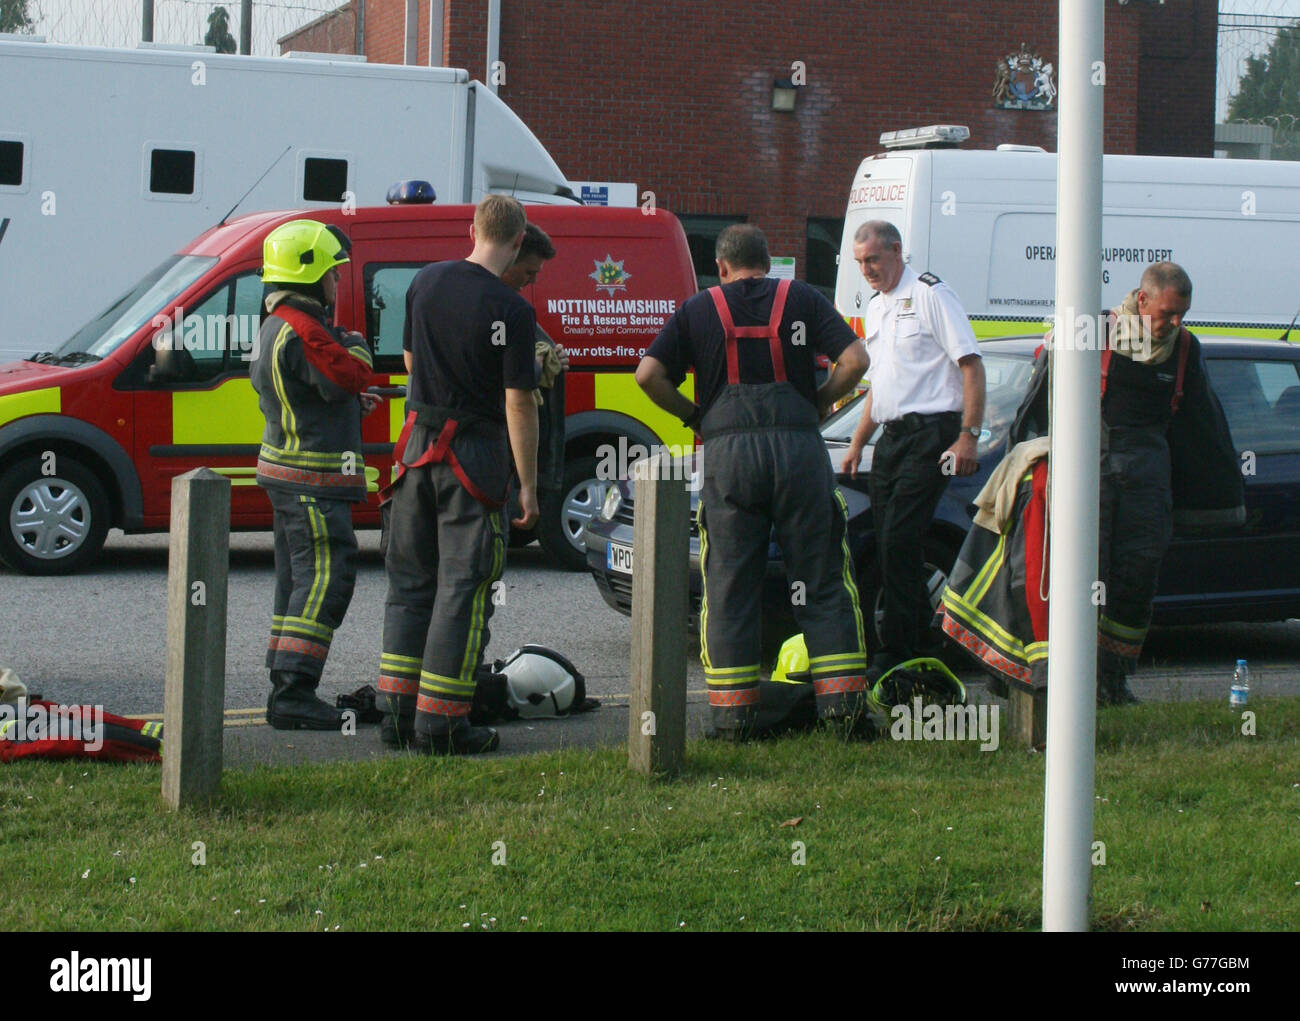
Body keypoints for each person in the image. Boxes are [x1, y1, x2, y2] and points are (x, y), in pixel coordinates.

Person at [635, 224, 870, 738]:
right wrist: (817, 401)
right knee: (823, 577)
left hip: (729, 455)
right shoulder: (803, 297)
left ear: (721, 267)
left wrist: (695, 416)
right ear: (768, 262)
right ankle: (844, 712)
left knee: (728, 583)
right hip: (800, 453)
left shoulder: (699, 309)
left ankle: (734, 716)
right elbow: (857, 360)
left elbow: (647, 374)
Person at [376, 195, 539, 755]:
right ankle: (441, 725)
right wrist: (530, 487)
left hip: (414, 452)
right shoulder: (513, 310)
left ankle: (396, 715)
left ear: (471, 229)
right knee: (462, 591)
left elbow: (411, 365)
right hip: (473, 455)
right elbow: (519, 403)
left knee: (409, 586)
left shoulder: (425, 282)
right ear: (518, 242)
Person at [841, 220, 986, 681]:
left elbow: (971, 364)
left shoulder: (930, 294)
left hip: (933, 434)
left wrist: (969, 434)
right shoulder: (878, 306)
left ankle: (902, 650)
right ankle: (915, 643)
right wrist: (858, 441)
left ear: (897, 251)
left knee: (902, 539)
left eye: (874, 260)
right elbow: (879, 386)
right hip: (893, 437)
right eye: (860, 262)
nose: (866, 269)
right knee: (888, 544)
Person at [250, 219, 379, 729]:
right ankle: (294, 693)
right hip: (312, 484)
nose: (336, 283)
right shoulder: (305, 329)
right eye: (333, 273)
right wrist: (356, 343)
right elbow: (350, 371)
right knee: (326, 579)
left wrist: (346, 406)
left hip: (287, 477)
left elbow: (313, 392)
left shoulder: (273, 323)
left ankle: (285, 685)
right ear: (311, 276)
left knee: (296, 584)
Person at [501, 223, 568, 503]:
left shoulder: (510, 306)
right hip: (491, 450)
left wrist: (551, 357)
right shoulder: (507, 308)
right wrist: (537, 365)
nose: (534, 282)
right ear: (510, 255)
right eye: (529, 272)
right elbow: (516, 393)